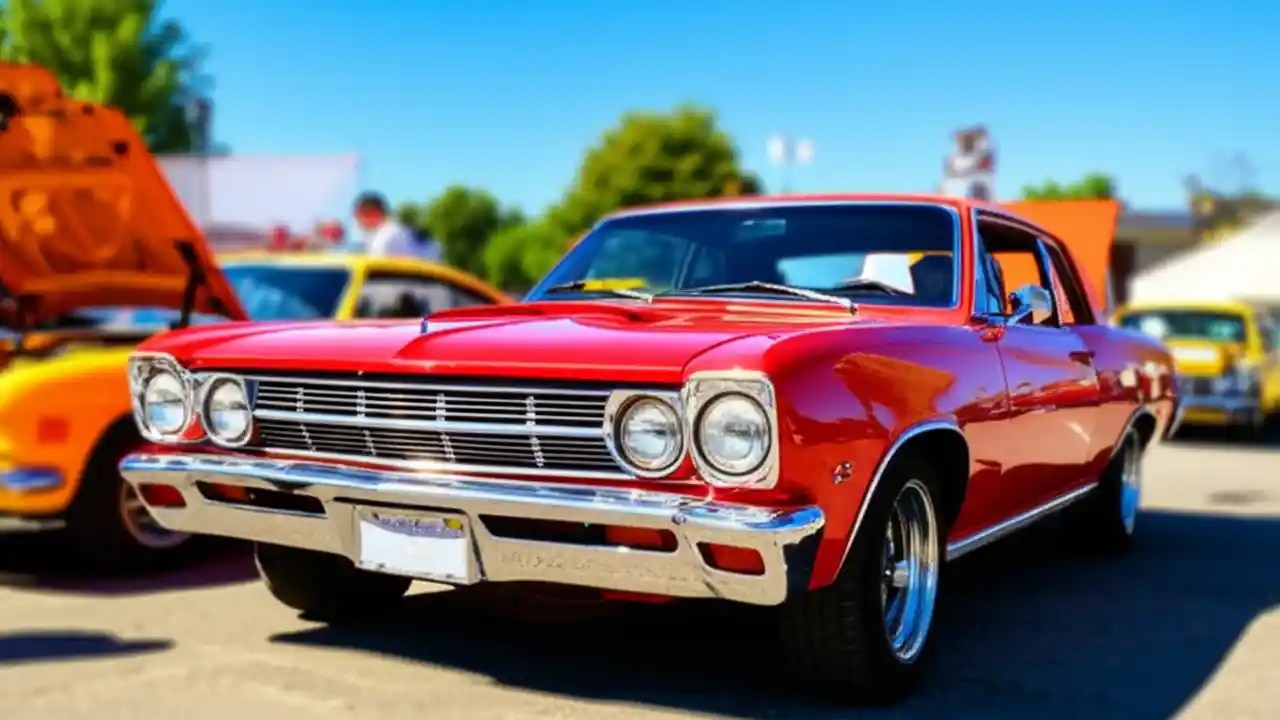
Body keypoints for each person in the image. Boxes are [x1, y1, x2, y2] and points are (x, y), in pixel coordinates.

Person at [351, 191, 442, 260]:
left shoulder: (386, 236)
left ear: (372, 214)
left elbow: (374, 266)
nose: (358, 221)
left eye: (358, 216)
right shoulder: (398, 231)